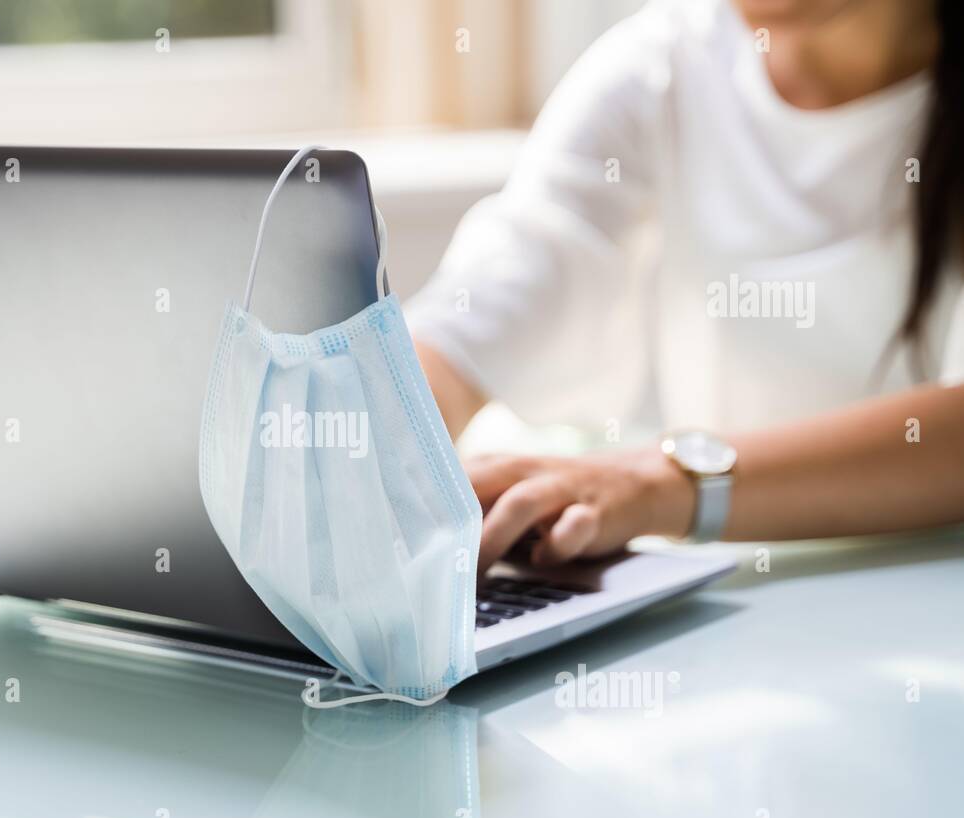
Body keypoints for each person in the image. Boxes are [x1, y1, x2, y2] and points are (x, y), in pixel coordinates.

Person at [406, 0, 964, 572]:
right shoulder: (660, 63)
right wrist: (387, 439)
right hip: (731, 595)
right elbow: (479, 309)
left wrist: (658, 484)